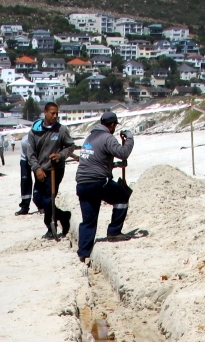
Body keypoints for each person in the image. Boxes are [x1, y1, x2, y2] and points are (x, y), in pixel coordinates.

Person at [75, 111, 134, 261]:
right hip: (98, 182)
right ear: (112, 125)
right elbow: (123, 152)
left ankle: (83, 251)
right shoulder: (107, 137)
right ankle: (114, 232)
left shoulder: (89, 138)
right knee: (122, 196)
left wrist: (115, 165)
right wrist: (130, 138)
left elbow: (96, 162)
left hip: (82, 183)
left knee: (88, 220)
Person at [25, 102, 75, 239]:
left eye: (57, 113)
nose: (55, 116)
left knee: (48, 200)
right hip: (40, 170)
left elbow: (70, 147)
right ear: (45, 112)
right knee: (37, 199)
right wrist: (36, 169)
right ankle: (63, 215)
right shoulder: (34, 131)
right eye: (52, 113)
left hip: (55, 169)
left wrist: (60, 156)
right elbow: (30, 153)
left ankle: (50, 226)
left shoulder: (61, 130)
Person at [16, 131, 33, 214]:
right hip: (25, 159)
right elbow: (30, 156)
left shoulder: (42, 138)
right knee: (25, 182)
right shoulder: (25, 141)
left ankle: (42, 205)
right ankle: (25, 207)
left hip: (38, 158)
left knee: (41, 180)